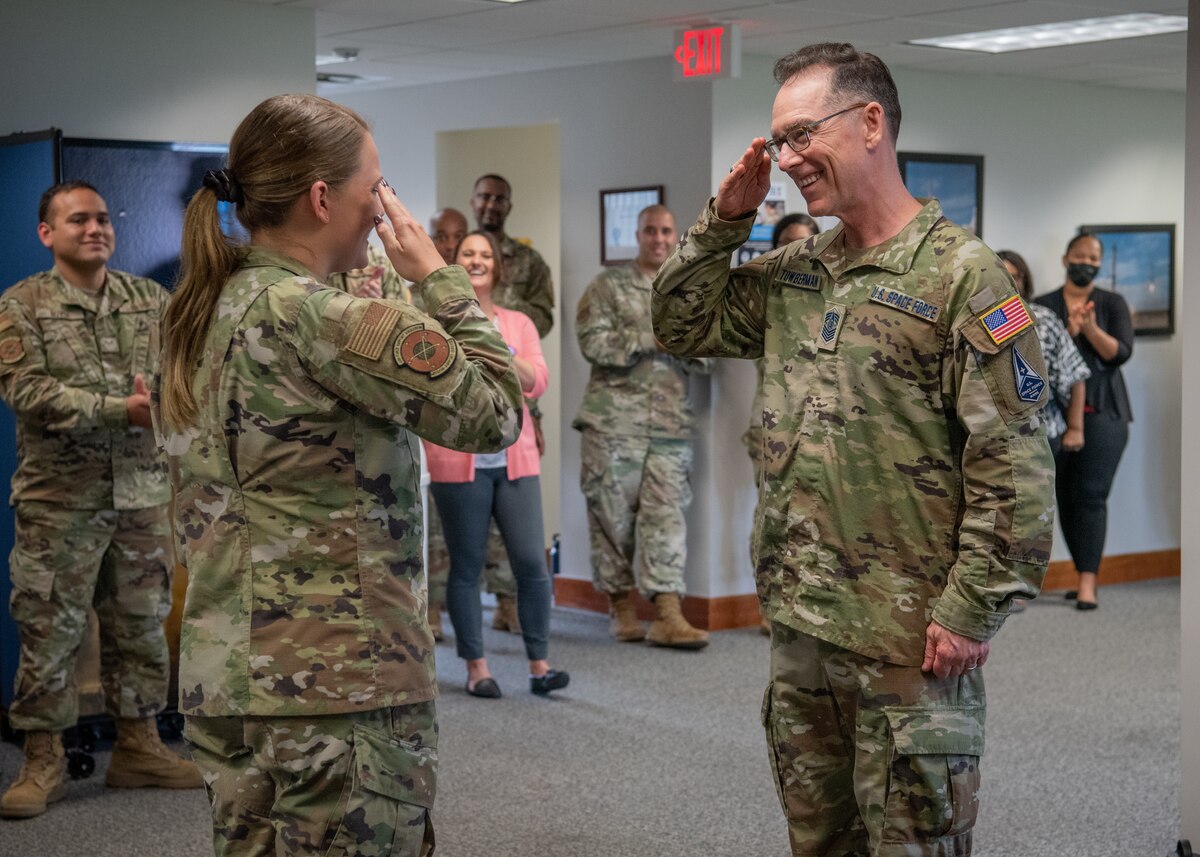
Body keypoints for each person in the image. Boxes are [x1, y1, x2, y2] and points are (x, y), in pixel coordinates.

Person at [652, 42, 1055, 855]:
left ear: (871, 122)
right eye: (778, 143)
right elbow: (679, 321)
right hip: (803, 624)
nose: (789, 160)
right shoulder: (800, 270)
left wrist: (973, 605)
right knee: (820, 842)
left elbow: (1013, 461)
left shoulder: (962, 277)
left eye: (803, 135)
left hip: (909, 640)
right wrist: (725, 221)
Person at [154, 94, 522, 856]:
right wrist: (439, 279)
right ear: (323, 198)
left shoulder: (203, 306)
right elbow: (495, 411)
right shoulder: (323, 317)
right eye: (376, 189)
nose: (386, 208)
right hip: (336, 682)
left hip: (230, 671)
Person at [0, 181, 203, 819]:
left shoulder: (152, 300)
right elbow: (27, 391)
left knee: (141, 627)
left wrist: (174, 404)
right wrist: (121, 410)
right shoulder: (21, 305)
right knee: (51, 631)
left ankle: (139, 747)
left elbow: (186, 375)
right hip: (61, 502)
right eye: (79, 220)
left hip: (142, 497)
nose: (96, 229)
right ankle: (43, 759)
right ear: (47, 233)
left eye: (103, 219)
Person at [425, 230, 568, 698]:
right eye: (468, 254)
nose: (477, 261)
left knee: (531, 564)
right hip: (458, 460)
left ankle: (539, 665)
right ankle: (476, 668)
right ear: (454, 264)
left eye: (485, 255)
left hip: (515, 459)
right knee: (466, 567)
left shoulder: (519, 323)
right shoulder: (435, 322)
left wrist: (505, 358)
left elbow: (538, 381)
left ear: (496, 267)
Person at [574, 204, 714, 650]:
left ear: (676, 236)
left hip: (671, 428)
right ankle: (621, 608)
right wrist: (647, 340)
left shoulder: (690, 290)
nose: (659, 238)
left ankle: (669, 614)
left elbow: (712, 353)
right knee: (613, 522)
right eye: (650, 230)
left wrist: (683, 343)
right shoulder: (608, 285)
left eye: (666, 231)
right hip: (613, 425)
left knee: (666, 519)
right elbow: (591, 342)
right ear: (637, 234)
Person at [424, 205, 520, 642]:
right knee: (442, 536)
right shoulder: (421, 300)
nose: (449, 245)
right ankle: (434, 610)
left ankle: (504, 602)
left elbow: (524, 376)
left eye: (458, 236)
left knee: (499, 533)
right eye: (443, 238)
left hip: (499, 433)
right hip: (444, 435)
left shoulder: (506, 312)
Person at [470, 174, 556, 633]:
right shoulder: (456, 258)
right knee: (464, 515)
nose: (491, 204)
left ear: (509, 204)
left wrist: (504, 317)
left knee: (514, 511)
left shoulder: (530, 262)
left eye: (500, 197)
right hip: (464, 398)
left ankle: (507, 602)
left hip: (514, 384)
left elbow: (542, 318)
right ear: (473, 200)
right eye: (484, 196)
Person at [1034, 233, 1134, 610]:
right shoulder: (1044, 305)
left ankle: (1088, 582)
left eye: (1093, 257)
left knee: (1090, 497)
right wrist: (1068, 332)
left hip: (1104, 414)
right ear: (1065, 259)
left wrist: (1089, 328)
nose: (1086, 262)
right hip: (1054, 419)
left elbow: (1119, 353)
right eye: (1079, 255)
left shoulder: (1112, 303)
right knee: (1062, 497)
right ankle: (1066, 574)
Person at [742, 213, 820, 636]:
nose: (798, 253)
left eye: (806, 244)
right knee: (769, 518)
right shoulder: (765, 292)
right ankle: (768, 605)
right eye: (788, 243)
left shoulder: (835, 295)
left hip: (825, 425)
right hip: (771, 425)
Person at [998, 250, 1090, 457]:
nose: (1008, 282)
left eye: (1014, 276)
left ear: (1025, 280)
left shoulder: (1044, 320)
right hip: (992, 440)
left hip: (1042, 434)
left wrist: (1076, 428)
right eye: (1001, 276)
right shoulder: (974, 322)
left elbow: (1077, 375)